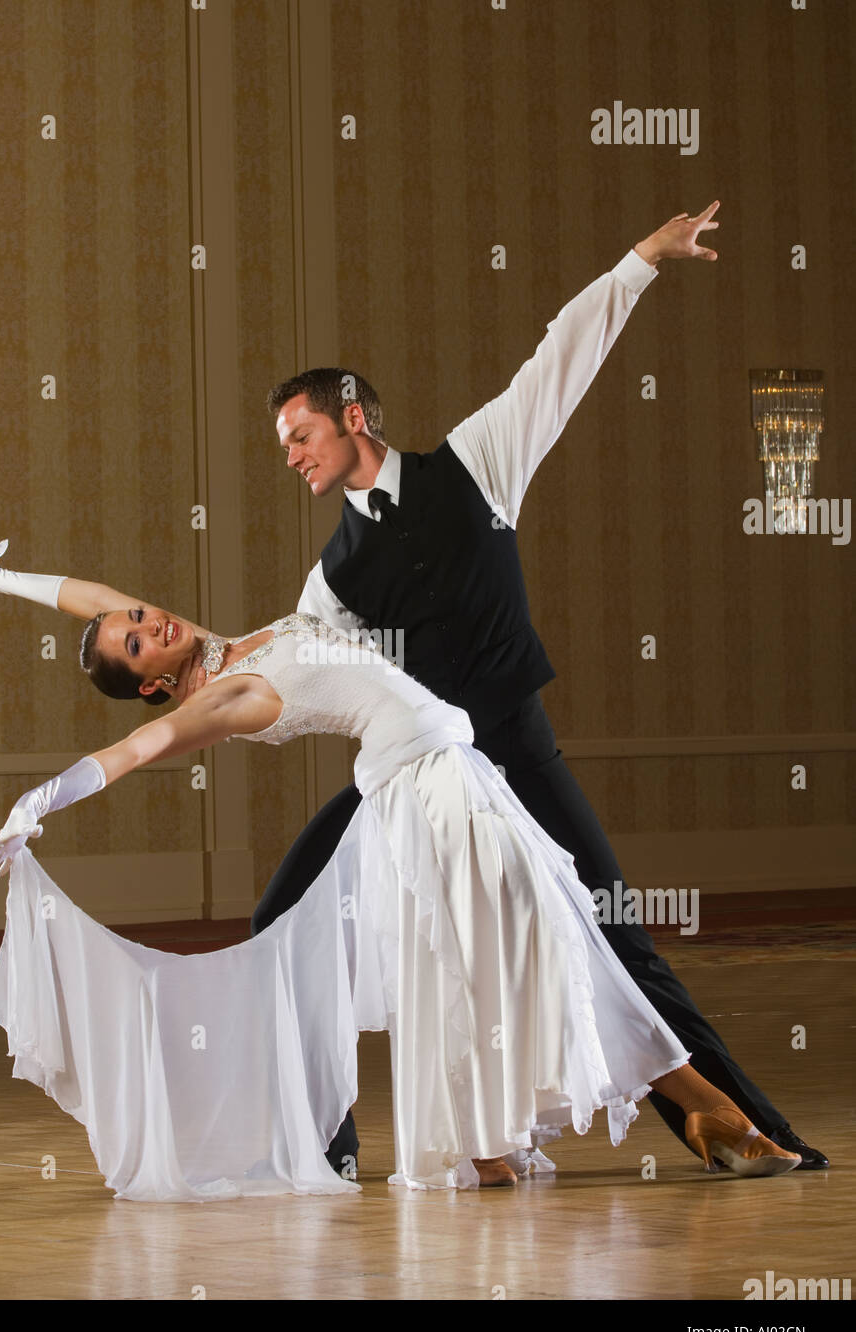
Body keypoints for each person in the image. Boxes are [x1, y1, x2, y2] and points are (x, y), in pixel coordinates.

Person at [254, 200, 829, 1175]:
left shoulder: (476, 465)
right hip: (417, 780)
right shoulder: (331, 581)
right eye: (283, 446)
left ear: (352, 416)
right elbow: (280, 669)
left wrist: (643, 260)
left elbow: (558, 359)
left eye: (300, 433)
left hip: (517, 755)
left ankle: (754, 1131)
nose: (292, 455)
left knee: (619, 942)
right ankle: (325, 1149)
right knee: (284, 918)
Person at [0, 552, 800, 1198]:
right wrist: (38, 802)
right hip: (425, 791)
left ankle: (504, 1141)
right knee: (550, 937)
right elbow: (138, 747)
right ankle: (699, 1110)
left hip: (453, 771)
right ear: (155, 684)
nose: (148, 622)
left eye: (141, 615)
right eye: (136, 642)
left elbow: (93, 600)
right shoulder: (225, 695)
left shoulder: (231, 640)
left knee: (519, 946)